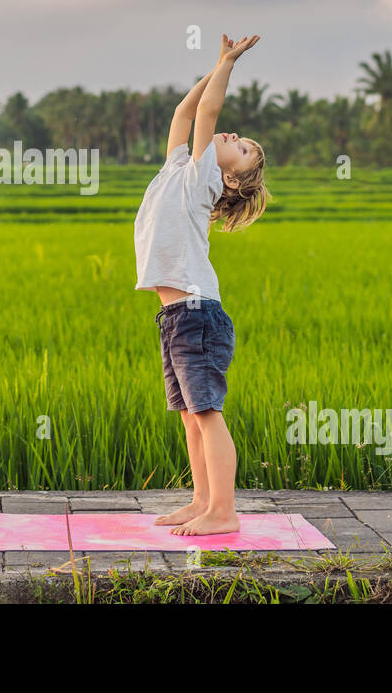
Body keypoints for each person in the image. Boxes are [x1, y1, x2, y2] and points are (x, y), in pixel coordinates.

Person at [133, 33, 268, 535]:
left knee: (207, 413)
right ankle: (201, 500)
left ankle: (224, 512)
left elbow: (207, 116)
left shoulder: (202, 177)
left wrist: (229, 65)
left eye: (245, 149)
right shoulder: (176, 168)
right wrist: (213, 67)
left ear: (231, 180)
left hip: (197, 316)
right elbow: (184, 114)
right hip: (175, 317)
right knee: (190, 416)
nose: (235, 137)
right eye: (241, 137)